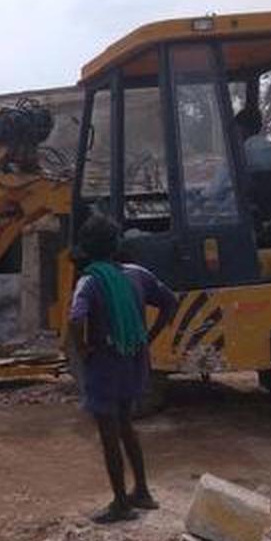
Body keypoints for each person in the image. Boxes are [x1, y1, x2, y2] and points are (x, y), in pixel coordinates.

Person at [68, 213, 178, 524]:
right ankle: (142, 491)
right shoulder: (137, 273)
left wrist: (83, 348)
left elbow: (76, 319)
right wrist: (149, 337)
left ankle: (120, 503)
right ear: (117, 243)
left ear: (86, 248)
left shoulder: (89, 280)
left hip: (106, 362)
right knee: (127, 423)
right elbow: (170, 302)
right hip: (135, 360)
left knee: (108, 431)